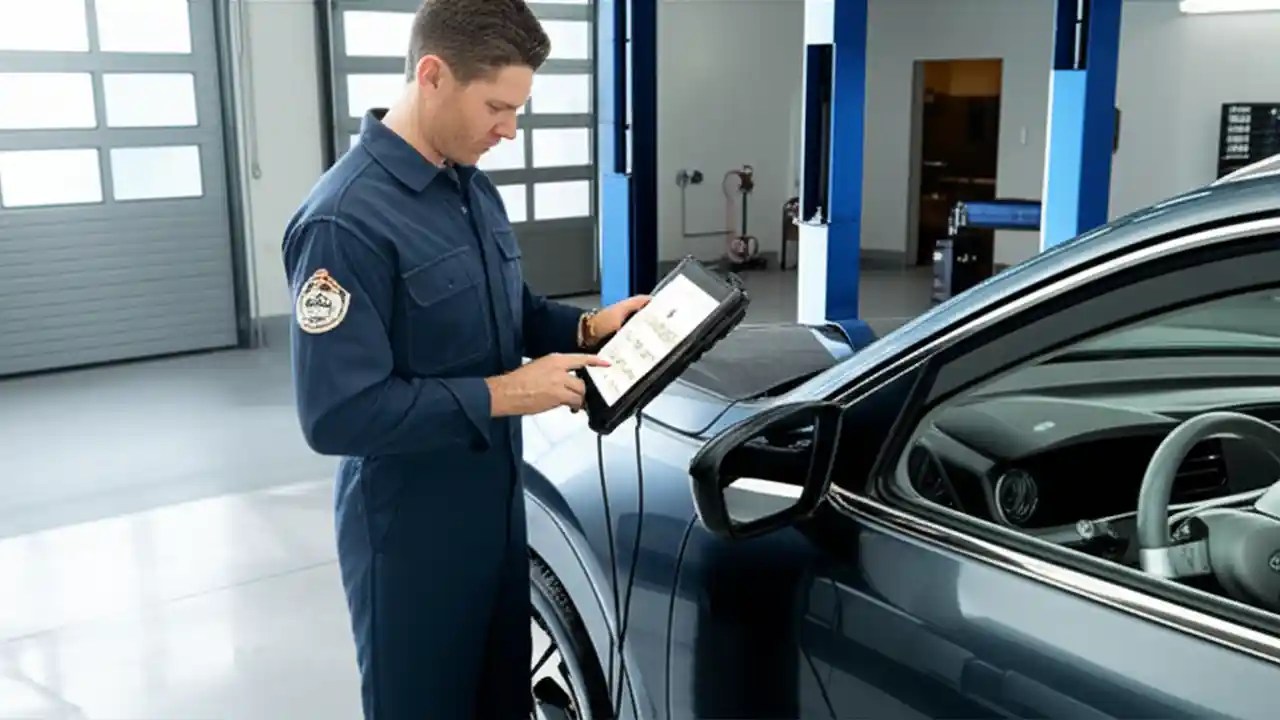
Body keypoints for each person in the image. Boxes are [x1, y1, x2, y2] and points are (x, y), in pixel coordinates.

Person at [280, 0, 649, 716]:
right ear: (433, 75)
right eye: (498, 107)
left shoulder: (469, 188)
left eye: (519, 109)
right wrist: (507, 394)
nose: (509, 130)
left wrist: (589, 329)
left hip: (497, 516)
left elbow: (512, 316)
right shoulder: (343, 222)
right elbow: (338, 416)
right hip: (411, 538)